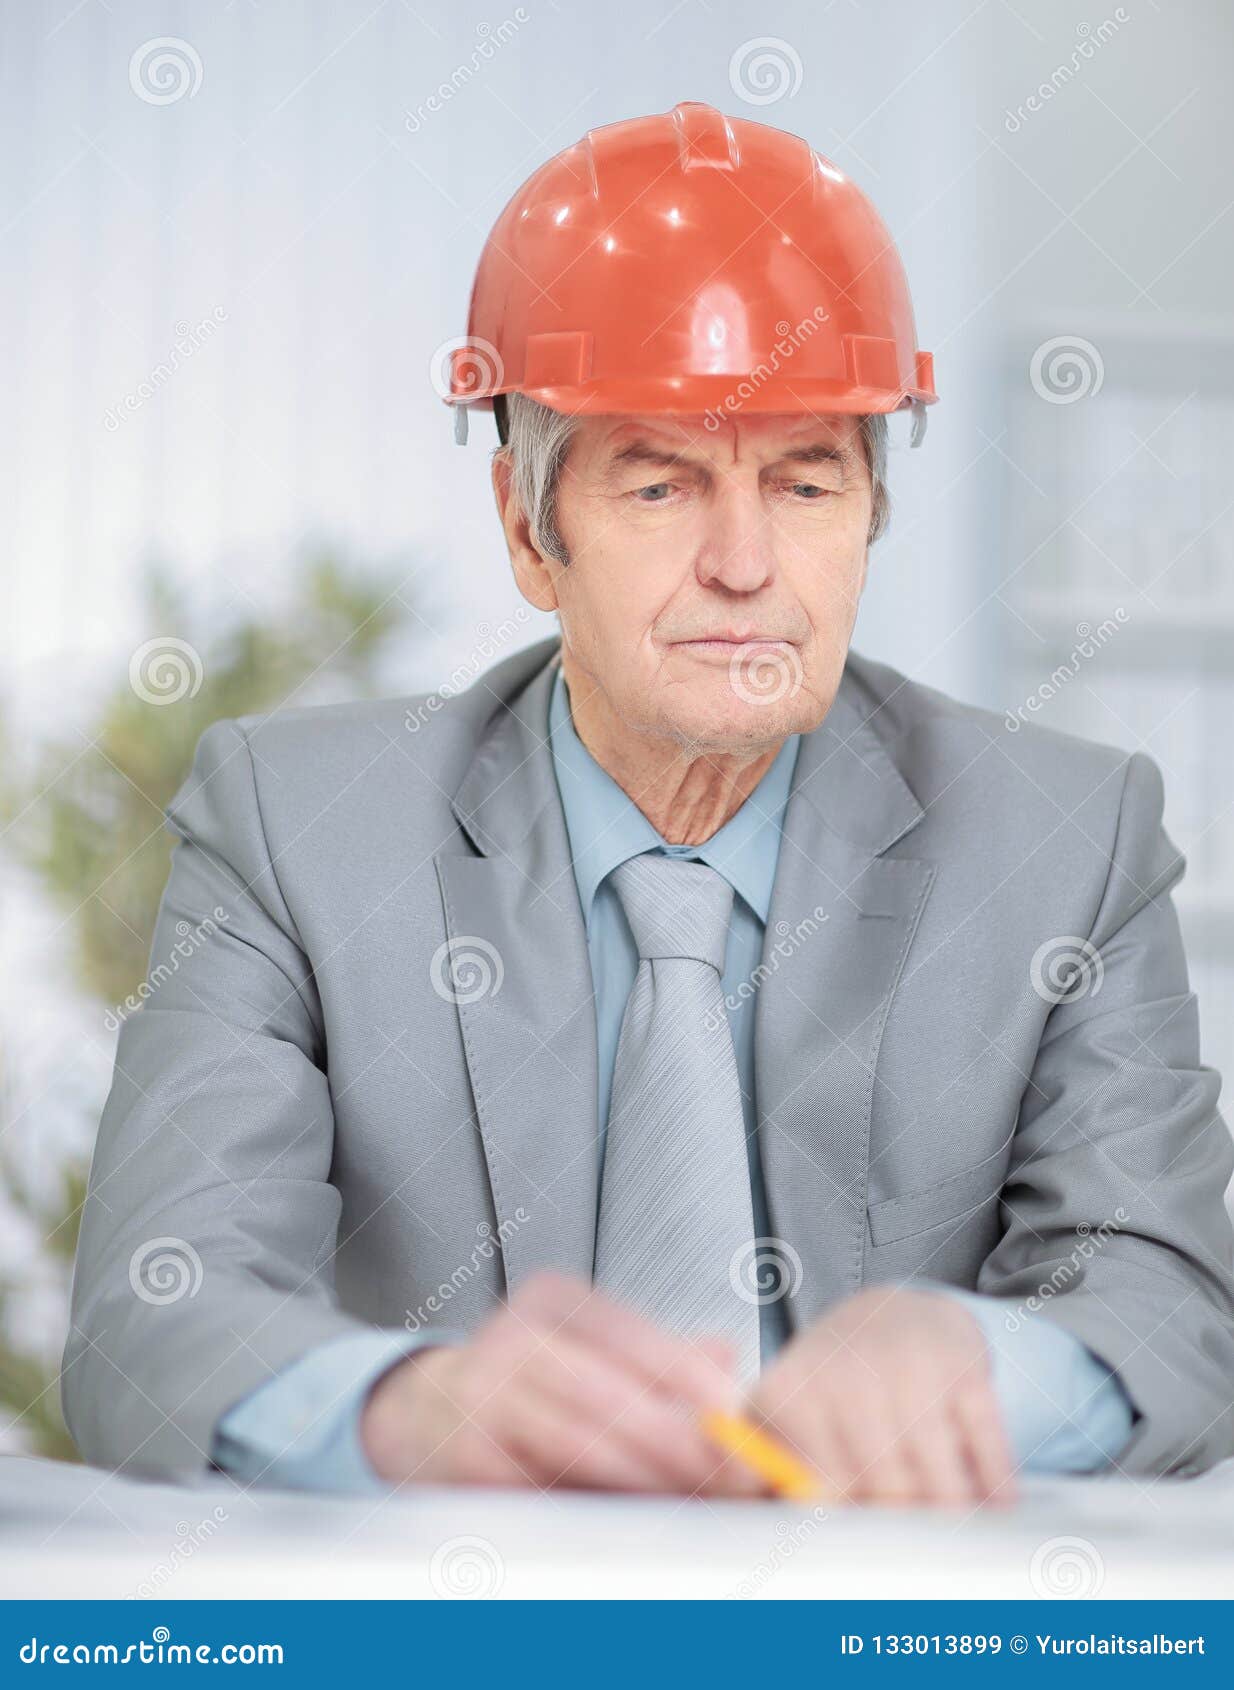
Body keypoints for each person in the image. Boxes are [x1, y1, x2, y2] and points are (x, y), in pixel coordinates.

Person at [64, 102, 1234, 1505]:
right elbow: (151, 1313)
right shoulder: (297, 829)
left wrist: (987, 1361)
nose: (744, 564)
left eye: (805, 480)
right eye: (661, 482)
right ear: (525, 527)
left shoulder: (1065, 839)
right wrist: (402, 1403)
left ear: (866, 514)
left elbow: (1169, 1310)